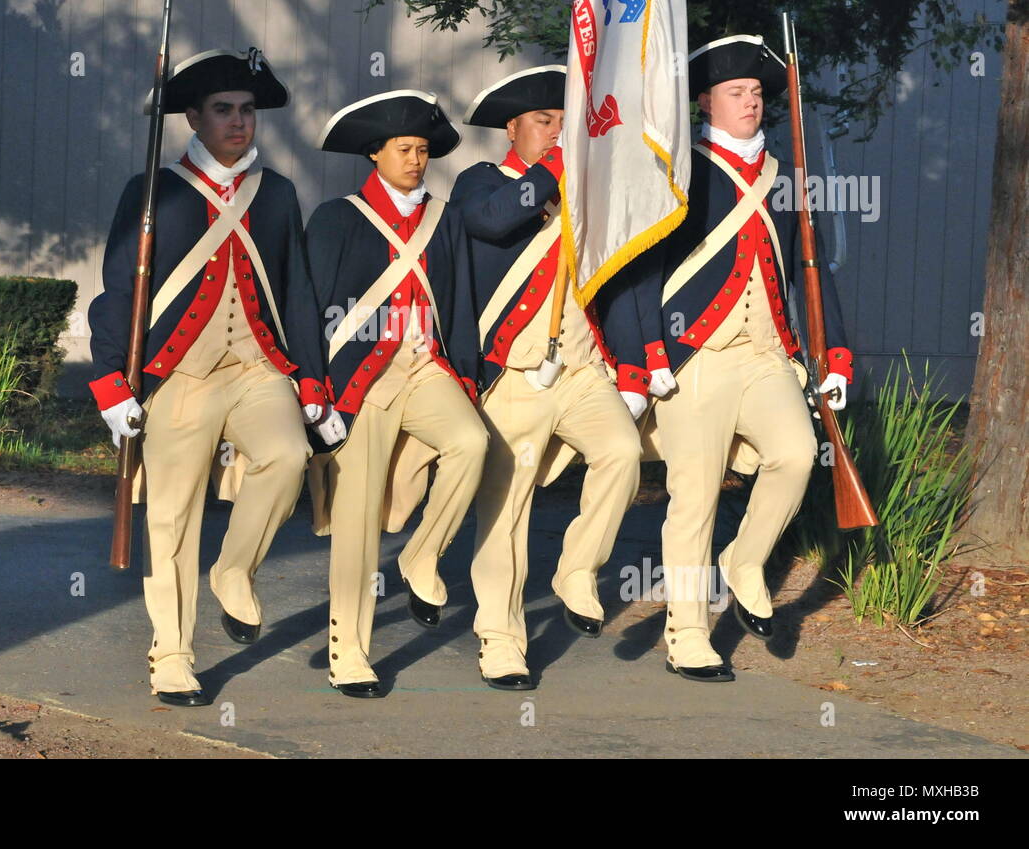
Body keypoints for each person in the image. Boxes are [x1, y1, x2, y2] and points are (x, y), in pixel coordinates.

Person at [86, 48, 331, 707]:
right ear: (192, 117)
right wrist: (111, 381)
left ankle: (234, 569)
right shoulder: (152, 190)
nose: (238, 121)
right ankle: (171, 655)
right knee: (169, 517)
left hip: (257, 367)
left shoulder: (276, 194)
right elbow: (118, 292)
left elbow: (299, 293)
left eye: (248, 111)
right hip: (180, 374)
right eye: (223, 110)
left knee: (284, 456)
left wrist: (313, 382)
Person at [631, 35, 854, 682]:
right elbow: (641, 269)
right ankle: (688, 633)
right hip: (694, 353)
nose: (751, 102)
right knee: (693, 498)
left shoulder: (783, 174)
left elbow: (813, 271)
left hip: (767, 353)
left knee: (793, 454)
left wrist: (833, 355)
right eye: (737, 93)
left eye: (758, 93)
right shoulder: (679, 170)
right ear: (707, 101)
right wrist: (648, 350)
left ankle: (745, 561)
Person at [451, 66, 647, 691]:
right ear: (513, 129)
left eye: (566, 125)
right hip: (514, 371)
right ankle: (502, 640)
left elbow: (623, 278)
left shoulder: (587, 194)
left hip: (583, 367)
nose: (558, 134)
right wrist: (553, 171)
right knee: (506, 512)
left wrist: (639, 362)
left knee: (622, 454)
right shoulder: (481, 183)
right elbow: (492, 222)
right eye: (544, 122)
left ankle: (577, 571)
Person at [305, 90, 488, 699]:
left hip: (426, 366)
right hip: (363, 380)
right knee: (356, 520)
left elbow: (459, 305)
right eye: (405, 149)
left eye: (423, 150)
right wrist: (315, 391)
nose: (417, 159)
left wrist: (466, 375)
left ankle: (420, 556)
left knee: (471, 442)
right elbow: (313, 311)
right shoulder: (338, 216)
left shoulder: (445, 218)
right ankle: (349, 651)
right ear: (375, 153)